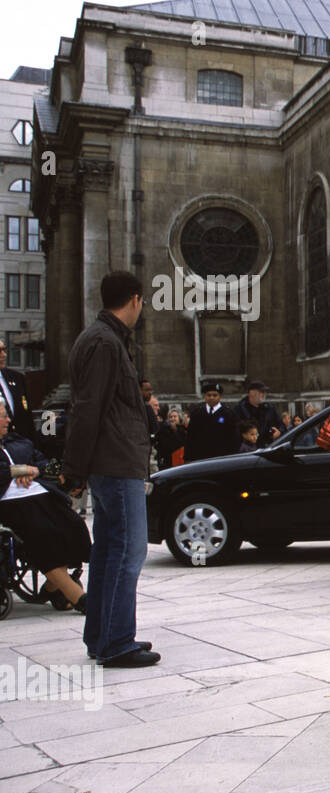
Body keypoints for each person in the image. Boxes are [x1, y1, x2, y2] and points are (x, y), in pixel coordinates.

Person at [62, 271, 159, 668]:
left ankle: (102, 637)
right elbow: (88, 409)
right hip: (116, 463)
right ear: (134, 299)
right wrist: (74, 469)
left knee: (107, 551)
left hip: (110, 462)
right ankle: (117, 641)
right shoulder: (105, 342)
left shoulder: (101, 338)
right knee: (128, 551)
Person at [0, 403, 89, 612]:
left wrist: (34, 470)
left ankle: (52, 587)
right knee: (43, 535)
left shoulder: (19, 442)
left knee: (74, 526)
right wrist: (18, 470)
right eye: (3, 416)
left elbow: (45, 462)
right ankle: (78, 598)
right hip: (11, 502)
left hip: (41, 494)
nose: (8, 420)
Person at [185, 382, 240, 460]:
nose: (211, 398)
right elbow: (190, 436)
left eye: (215, 395)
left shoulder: (228, 414)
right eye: (209, 395)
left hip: (221, 457)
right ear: (205, 396)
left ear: (220, 397)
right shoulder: (197, 413)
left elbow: (234, 438)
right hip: (200, 457)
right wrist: (187, 457)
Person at [0, 339, 36, 443]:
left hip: (21, 444)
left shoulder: (16, 378)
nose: (4, 355)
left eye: (4, 350)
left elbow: (27, 417)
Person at [233, 381, 285, 447]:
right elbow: (234, 431)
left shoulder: (269, 408)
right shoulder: (239, 409)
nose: (264, 394)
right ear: (252, 393)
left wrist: (279, 432)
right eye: (261, 392)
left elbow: (281, 425)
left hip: (267, 446)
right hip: (246, 449)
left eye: (265, 392)